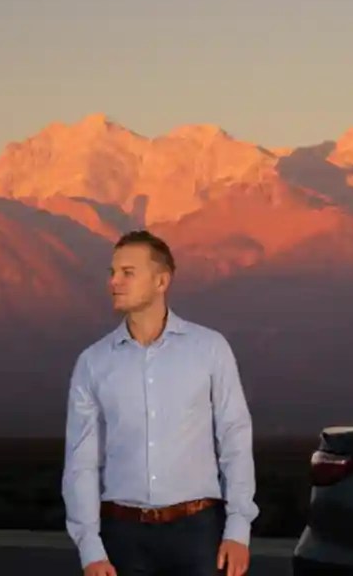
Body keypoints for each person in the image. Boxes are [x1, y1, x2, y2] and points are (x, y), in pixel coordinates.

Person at [62, 230, 257, 576]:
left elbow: (235, 439)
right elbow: (81, 462)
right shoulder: (92, 363)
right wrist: (90, 548)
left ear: (161, 281)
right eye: (112, 272)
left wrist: (238, 528)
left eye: (128, 272)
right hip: (123, 536)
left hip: (199, 532)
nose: (114, 282)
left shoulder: (209, 349)